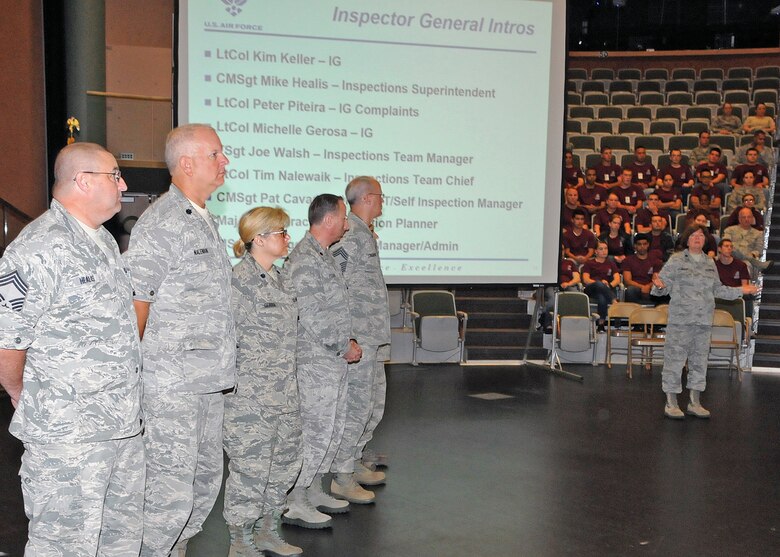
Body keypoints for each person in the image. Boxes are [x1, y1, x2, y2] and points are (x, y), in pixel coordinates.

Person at [0, 143, 144, 554]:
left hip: (120, 426)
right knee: (64, 543)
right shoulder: (37, 248)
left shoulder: (102, 240)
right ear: (83, 181)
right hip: (69, 434)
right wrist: (20, 393)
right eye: (115, 175)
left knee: (120, 537)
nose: (124, 184)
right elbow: (7, 340)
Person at [124, 124, 237, 557]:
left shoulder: (202, 219)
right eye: (216, 154)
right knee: (168, 498)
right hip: (172, 386)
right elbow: (138, 297)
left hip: (207, 382)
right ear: (186, 163)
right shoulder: (165, 221)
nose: (225, 162)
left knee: (203, 486)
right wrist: (131, 375)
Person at [223, 207, 303, 557]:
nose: (288, 239)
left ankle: (268, 531)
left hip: (285, 394)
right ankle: (241, 541)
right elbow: (226, 339)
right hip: (251, 399)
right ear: (259, 238)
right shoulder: (239, 281)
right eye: (281, 233)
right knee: (250, 471)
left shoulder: (281, 279)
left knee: (284, 465)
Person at [283, 194, 362, 529]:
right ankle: (295, 500)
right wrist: (342, 345)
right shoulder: (304, 259)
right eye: (343, 217)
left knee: (331, 428)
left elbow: (334, 307)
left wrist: (348, 342)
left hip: (332, 360)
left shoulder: (324, 255)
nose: (346, 224)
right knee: (314, 431)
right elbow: (313, 314)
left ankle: (313, 489)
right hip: (316, 361)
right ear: (328, 220)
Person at [652, 225, 757, 419]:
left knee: (699, 362)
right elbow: (661, 288)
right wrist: (658, 286)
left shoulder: (710, 262)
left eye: (701, 235)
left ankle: (695, 402)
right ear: (687, 239)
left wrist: (741, 290)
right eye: (693, 235)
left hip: (703, 322)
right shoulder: (676, 260)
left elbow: (718, 289)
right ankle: (671, 402)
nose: (698, 238)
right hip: (680, 321)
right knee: (674, 362)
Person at [330, 177, 392, 503]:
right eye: (381, 196)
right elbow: (334, 284)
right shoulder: (349, 235)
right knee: (356, 406)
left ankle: (354, 462)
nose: (384, 201)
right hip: (359, 338)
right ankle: (342, 477)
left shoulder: (363, 233)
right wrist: (347, 336)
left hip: (372, 337)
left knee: (372, 405)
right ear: (367, 198)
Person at [723, 208, 775, 277]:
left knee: (746, 265)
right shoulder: (729, 230)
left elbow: (758, 250)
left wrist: (753, 255)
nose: (746, 219)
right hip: (730, 256)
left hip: (746, 260)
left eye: (749, 217)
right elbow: (725, 244)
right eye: (744, 217)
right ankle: (759, 264)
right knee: (731, 247)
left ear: (752, 218)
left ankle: (746, 285)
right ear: (739, 219)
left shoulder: (758, 233)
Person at [582, 241, 620, 332]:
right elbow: (586, 279)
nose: (604, 251)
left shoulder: (611, 263)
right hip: (592, 289)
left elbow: (617, 279)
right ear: (595, 251)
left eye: (606, 248)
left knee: (602, 297)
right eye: (601, 249)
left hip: (605, 291)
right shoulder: (589, 263)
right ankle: (614, 301)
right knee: (599, 283)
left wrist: (609, 285)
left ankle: (601, 324)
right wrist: (600, 283)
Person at [715, 238, 754, 317]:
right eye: (726, 246)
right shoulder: (713, 265)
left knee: (747, 298)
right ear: (719, 249)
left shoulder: (741, 265)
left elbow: (745, 286)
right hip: (720, 296)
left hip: (737, 297)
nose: (729, 248)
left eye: (731, 246)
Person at [540, 257, 581, 332]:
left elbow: (577, 278)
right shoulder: (548, 262)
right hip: (551, 285)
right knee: (553, 299)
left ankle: (575, 324)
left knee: (577, 296)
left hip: (568, 285)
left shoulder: (569, 263)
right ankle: (548, 324)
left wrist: (568, 283)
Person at [622, 233, 664, 305]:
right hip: (636, 288)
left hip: (651, 287)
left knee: (662, 290)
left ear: (648, 245)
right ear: (635, 246)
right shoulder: (628, 260)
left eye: (644, 244)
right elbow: (627, 281)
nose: (642, 246)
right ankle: (633, 313)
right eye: (639, 244)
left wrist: (648, 287)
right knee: (630, 290)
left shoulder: (655, 261)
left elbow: (656, 279)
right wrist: (642, 287)